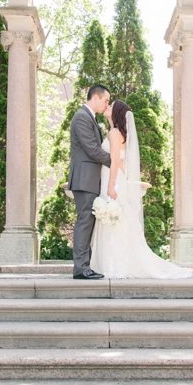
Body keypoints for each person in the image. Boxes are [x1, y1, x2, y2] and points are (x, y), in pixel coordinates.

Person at [90, 99, 193, 279]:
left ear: (117, 113)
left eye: (111, 106)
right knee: (118, 221)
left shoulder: (114, 133)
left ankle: (114, 264)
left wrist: (110, 186)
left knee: (113, 221)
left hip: (112, 180)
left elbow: (114, 162)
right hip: (115, 179)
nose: (107, 106)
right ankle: (117, 262)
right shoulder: (118, 133)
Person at [67, 84, 112, 279]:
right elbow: (92, 149)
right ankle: (81, 268)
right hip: (84, 179)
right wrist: (116, 162)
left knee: (88, 222)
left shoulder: (89, 118)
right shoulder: (81, 117)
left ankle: (86, 265)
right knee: (85, 222)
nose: (106, 104)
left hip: (90, 179)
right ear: (95, 97)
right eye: (105, 100)